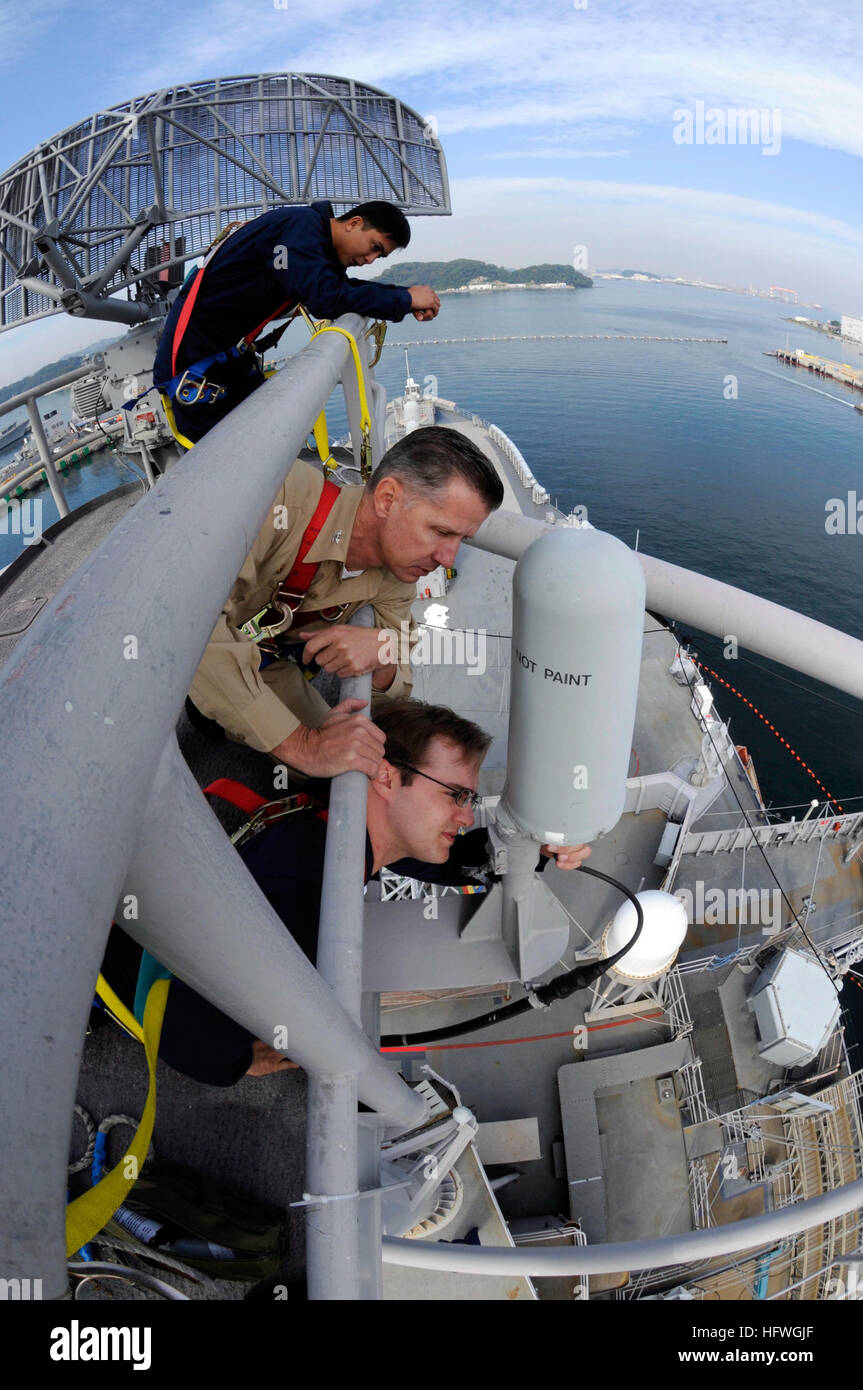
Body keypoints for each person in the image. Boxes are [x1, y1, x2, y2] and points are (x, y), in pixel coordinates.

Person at [99, 700, 590, 1084]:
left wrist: (536, 851)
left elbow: (453, 859)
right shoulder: (310, 894)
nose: (466, 816)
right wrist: (240, 1062)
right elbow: (186, 1037)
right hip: (116, 974)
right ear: (386, 776)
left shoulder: (339, 821)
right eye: (455, 795)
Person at [187, 426, 504, 779]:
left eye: (462, 539)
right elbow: (186, 626)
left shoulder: (397, 581)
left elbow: (393, 695)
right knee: (308, 753)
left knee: (345, 766)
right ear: (387, 499)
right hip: (196, 649)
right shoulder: (277, 495)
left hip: (268, 660)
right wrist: (302, 744)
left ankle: (220, 709)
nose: (448, 558)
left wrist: (382, 657)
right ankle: (207, 707)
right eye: (442, 532)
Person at [153, 199, 440, 443]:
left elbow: (343, 290)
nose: (369, 260)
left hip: (222, 363)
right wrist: (405, 300)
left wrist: (405, 297)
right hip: (194, 373)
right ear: (353, 223)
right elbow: (325, 299)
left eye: (379, 256)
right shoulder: (300, 227)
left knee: (259, 442)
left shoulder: (311, 239)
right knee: (224, 462)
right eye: (374, 246)